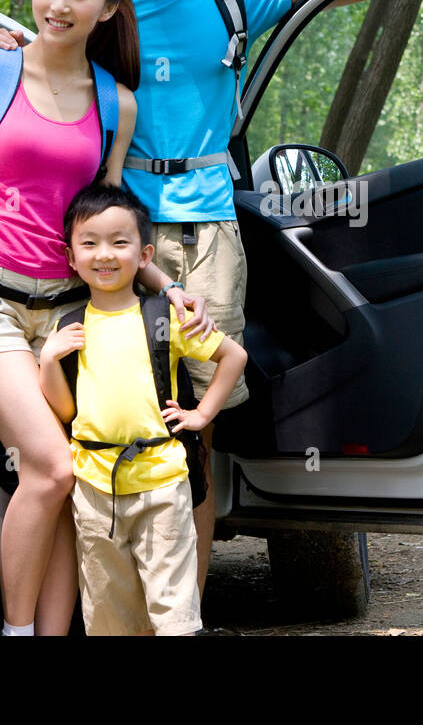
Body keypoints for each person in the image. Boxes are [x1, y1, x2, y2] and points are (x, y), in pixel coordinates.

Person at [0, 0, 397, 597]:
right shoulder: (105, 1)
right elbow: (40, 58)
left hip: (210, 236)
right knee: (98, 419)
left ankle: (185, 608)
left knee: (193, 434)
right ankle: (107, 605)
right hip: (116, 235)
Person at [0, 0, 210, 636]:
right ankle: (16, 631)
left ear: (107, 9)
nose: (59, 4)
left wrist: (166, 287)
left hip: (74, 309)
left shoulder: (118, 104)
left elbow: (111, 221)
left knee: (75, 476)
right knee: (49, 467)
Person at [39, 183, 247, 635]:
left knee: (173, 607)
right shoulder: (71, 326)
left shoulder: (162, 317)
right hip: (95, 488)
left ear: (145, 253)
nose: (105, 254)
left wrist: (201, 416)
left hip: (162, 483)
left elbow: (233, 356)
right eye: (89, 243)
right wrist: (48, 359)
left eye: (119, 242)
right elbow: (64, 408)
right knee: (109, 611)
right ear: (71, 258)